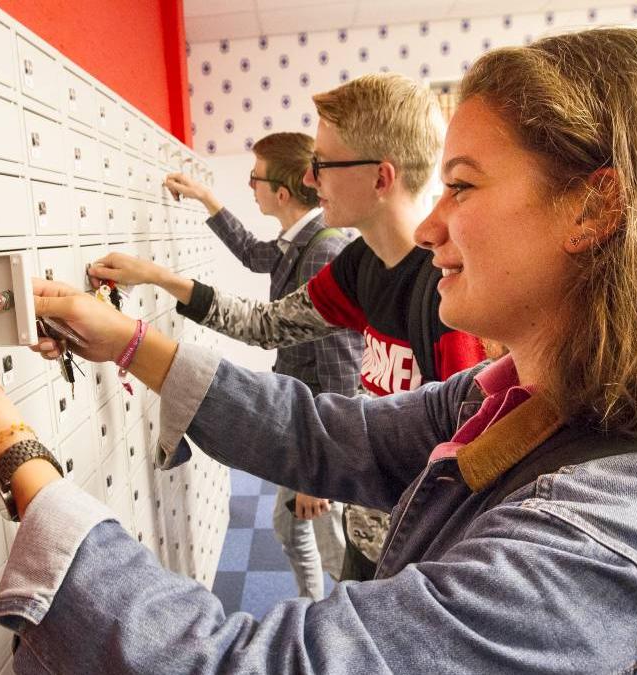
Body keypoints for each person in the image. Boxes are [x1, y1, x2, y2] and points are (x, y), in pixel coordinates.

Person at [0, 28, 637, 673]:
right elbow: (334, 435)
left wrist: (17, 460)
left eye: (468, 186)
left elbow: (250, 665)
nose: (435, 223)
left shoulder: (614, 547)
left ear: (595, 206)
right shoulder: (531, 398)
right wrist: (127, 339)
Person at [90, 72, 485, 581]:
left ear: (381, 178)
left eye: (323, 164)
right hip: (366, 534)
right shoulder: (359, 264)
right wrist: (157, 278)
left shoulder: (446, 295)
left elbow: (466, 463)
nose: (310, 178)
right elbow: (269, 325)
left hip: (421, 555)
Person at [152, 130, 362, 600]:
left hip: (317, 426)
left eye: (254, 178)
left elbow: (339, 366)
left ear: (282, 192)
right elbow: (253, 254)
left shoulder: (323, 249)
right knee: (293, 530)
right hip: (302, 418)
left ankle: (346, 623)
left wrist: (320, 470)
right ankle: (319, 611)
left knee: (332, 543)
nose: (250, 187)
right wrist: (207, 198)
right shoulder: (299, 240)